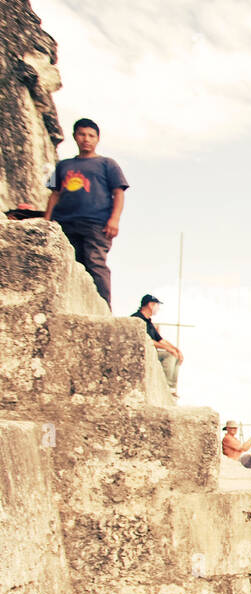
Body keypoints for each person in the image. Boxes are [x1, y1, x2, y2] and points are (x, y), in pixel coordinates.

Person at [42, 118, 128, 308]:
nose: (86, 139)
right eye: (82, 134)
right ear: (75, 136)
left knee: (95, 263)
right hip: (64, 223)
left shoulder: (107, 164)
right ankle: (72, 306)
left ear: (97, 139)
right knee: (70, 265)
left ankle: (104, 308)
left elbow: (118, 193)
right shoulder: (63, 165)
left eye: (91, 135)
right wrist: (46, 221)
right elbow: (55, 194)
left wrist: (114, 220)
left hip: (96, 223)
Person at [130, 294, 182, 396]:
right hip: (140, 353)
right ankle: (166, 386)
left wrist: (176, 349)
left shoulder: (148, 322)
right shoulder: (137, 319)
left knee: (175, 355)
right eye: (157, 305)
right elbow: (146, 340)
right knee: (169, 355)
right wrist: (168, 349)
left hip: (150, 352)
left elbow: (160, 339)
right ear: (150, 305)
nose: (158, 309)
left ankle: (172, 388)